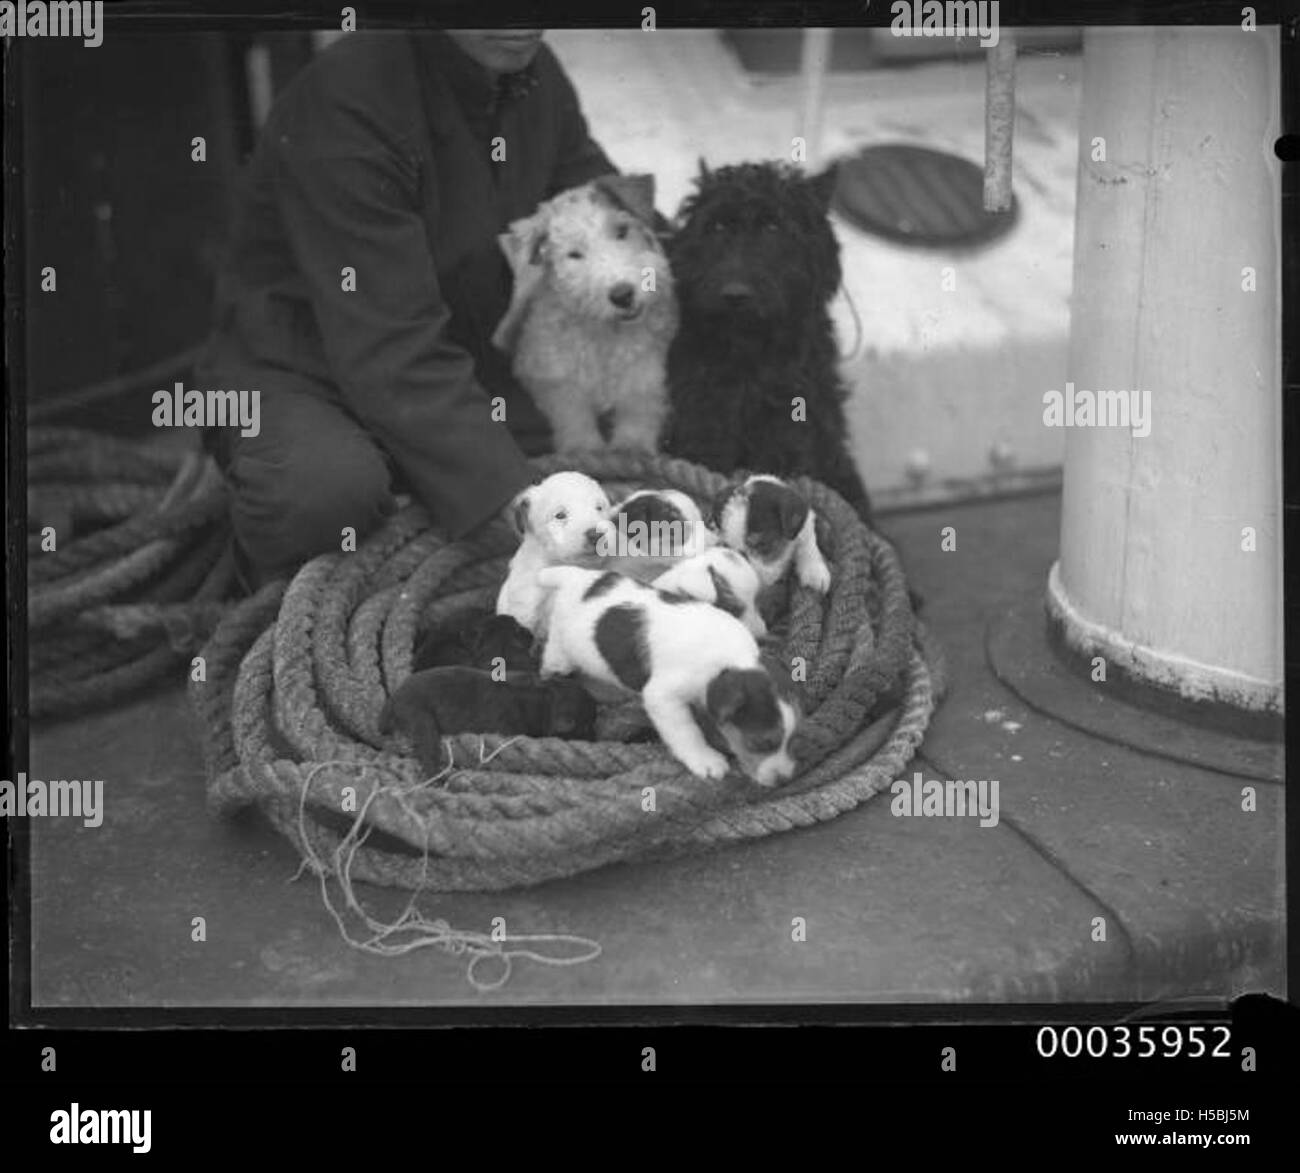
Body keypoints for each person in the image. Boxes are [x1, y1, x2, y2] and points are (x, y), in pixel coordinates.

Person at [194, 29, 617, 583]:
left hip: (454, 356)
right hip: (300, 367)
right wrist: (529, 517)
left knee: (624, 424)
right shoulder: (349, 101)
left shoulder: (529, 69)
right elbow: (392, 351)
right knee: (322, 494)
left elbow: (603, 217)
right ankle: (259, 601)